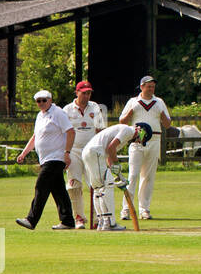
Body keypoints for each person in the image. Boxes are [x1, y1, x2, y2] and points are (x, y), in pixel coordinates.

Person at [14, 89, 77, 231]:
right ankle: (67, 221)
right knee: (58, 190)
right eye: (38, 101)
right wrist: (24, 153)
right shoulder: (40, 116)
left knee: (41, 186)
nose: (41, 103)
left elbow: (71, 132)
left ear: (50, 100)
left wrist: (67, 153)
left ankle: (31, 219)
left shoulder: (58, 113)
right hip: (45, 158)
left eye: (44, 100)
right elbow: (36, 136)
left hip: (56, 157)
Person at [81, 122, 153, 232]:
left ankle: (102, 222)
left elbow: (109, 154)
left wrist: (119, 175)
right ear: (142, 132)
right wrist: (117, 165)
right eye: (141, 139)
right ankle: (109, 223)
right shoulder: (129, 131)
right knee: (106, 185)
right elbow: (111, 148)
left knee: (98, 188)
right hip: (95, 152)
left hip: (90, 152)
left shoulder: (124, 134)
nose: (138, 142)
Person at [119, 76, 172, 219]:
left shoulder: (159, 102)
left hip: (154, 139)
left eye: (153, 87)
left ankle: (144, 209)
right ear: (141, 87)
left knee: (148, 177)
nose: (151, 89)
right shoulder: (133, 102)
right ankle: (126, 209)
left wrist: (162, 114)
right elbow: (122, 121)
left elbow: (167, 124)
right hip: (137, 139)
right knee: (133, 175)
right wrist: (130, 114)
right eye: (148, 86)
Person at [63, 80, 106, 228]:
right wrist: (65, 153)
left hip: (92, 150)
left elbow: (100, 130)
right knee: (74, 184)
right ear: (77, 92)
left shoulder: (95, 107)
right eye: (84, 93)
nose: (87, 96)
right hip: (74, 150)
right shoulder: (67, 110)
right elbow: (63, 133)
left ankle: (96, 219)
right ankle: (79, 218)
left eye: (89, 93)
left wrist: (102, 150)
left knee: (95, 183)